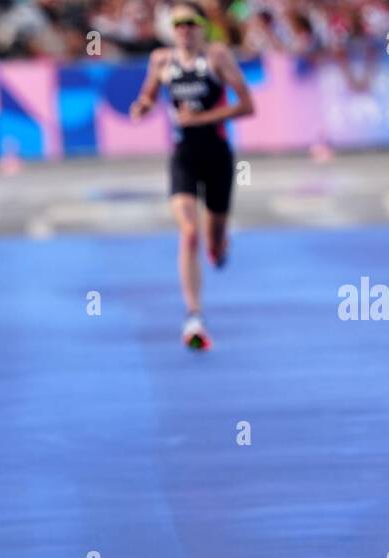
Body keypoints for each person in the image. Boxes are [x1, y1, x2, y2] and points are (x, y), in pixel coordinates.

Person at [131, 3, 255, 351]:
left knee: (213, 240)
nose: (185, 30)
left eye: (191, 24)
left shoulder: (217, 58)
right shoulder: (161, 60)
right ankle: (194, 315)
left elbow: (248, 105)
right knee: (188, 233)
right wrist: (141, 106)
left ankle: (219, 246)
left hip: (217, 157)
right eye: (179, 24)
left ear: (202, 28)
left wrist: (203, 119)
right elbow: (149, 94)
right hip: (183, 157)